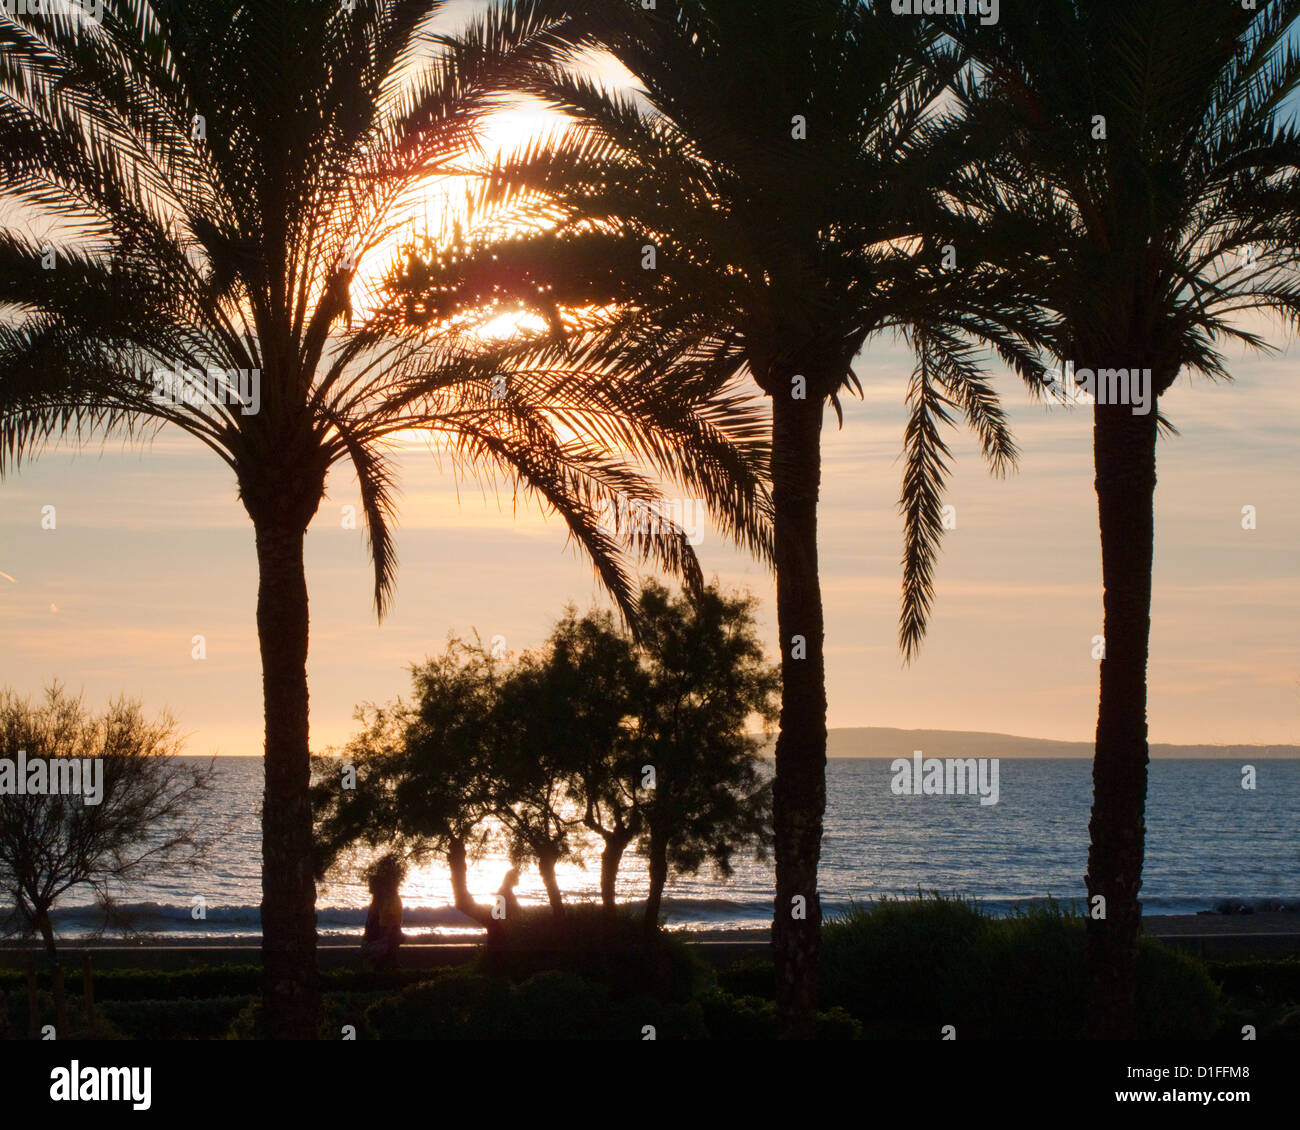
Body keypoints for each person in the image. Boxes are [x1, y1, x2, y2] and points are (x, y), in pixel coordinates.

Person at [361, 854, 405, 971]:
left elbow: (390, 921)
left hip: (387, 935)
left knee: (385, 964)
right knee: (379, 963)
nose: (370, 887)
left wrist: (383, 939)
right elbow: (372, 921)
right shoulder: (379, 900)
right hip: (380, 934)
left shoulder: (391, 899)